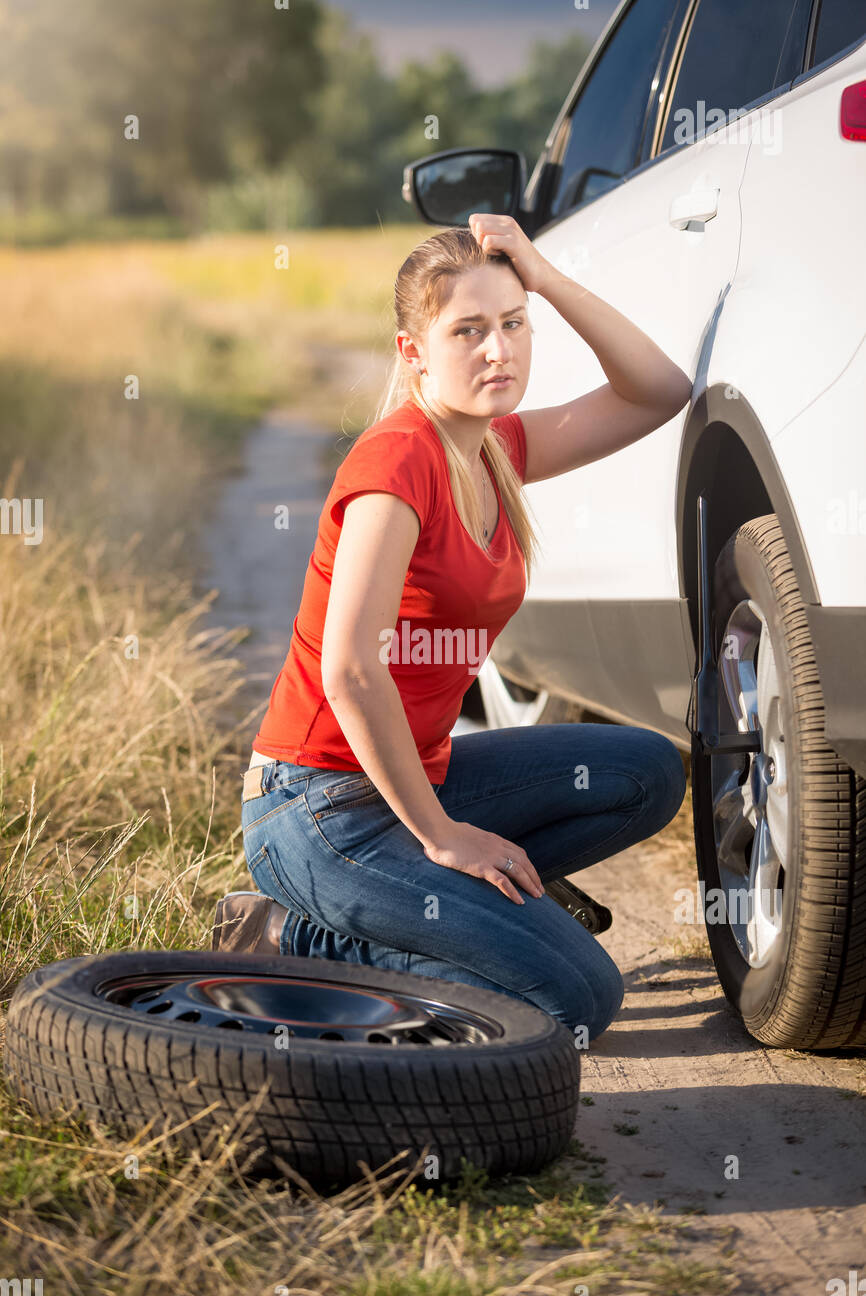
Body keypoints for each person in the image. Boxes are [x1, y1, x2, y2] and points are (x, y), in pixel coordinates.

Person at [218, 213, 691, 1042]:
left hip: (415, 781)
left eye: (513, 325)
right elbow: (351, 672)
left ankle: (474, 918)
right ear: (413, 352)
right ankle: (289, 934)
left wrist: (543, 274)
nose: (498, 351)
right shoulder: (396, 462)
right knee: (580, 1000)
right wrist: (441, 839)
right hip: (318, 805)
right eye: (468, 331)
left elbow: (659, 391)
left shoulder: (498, 448)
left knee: (647, 771)